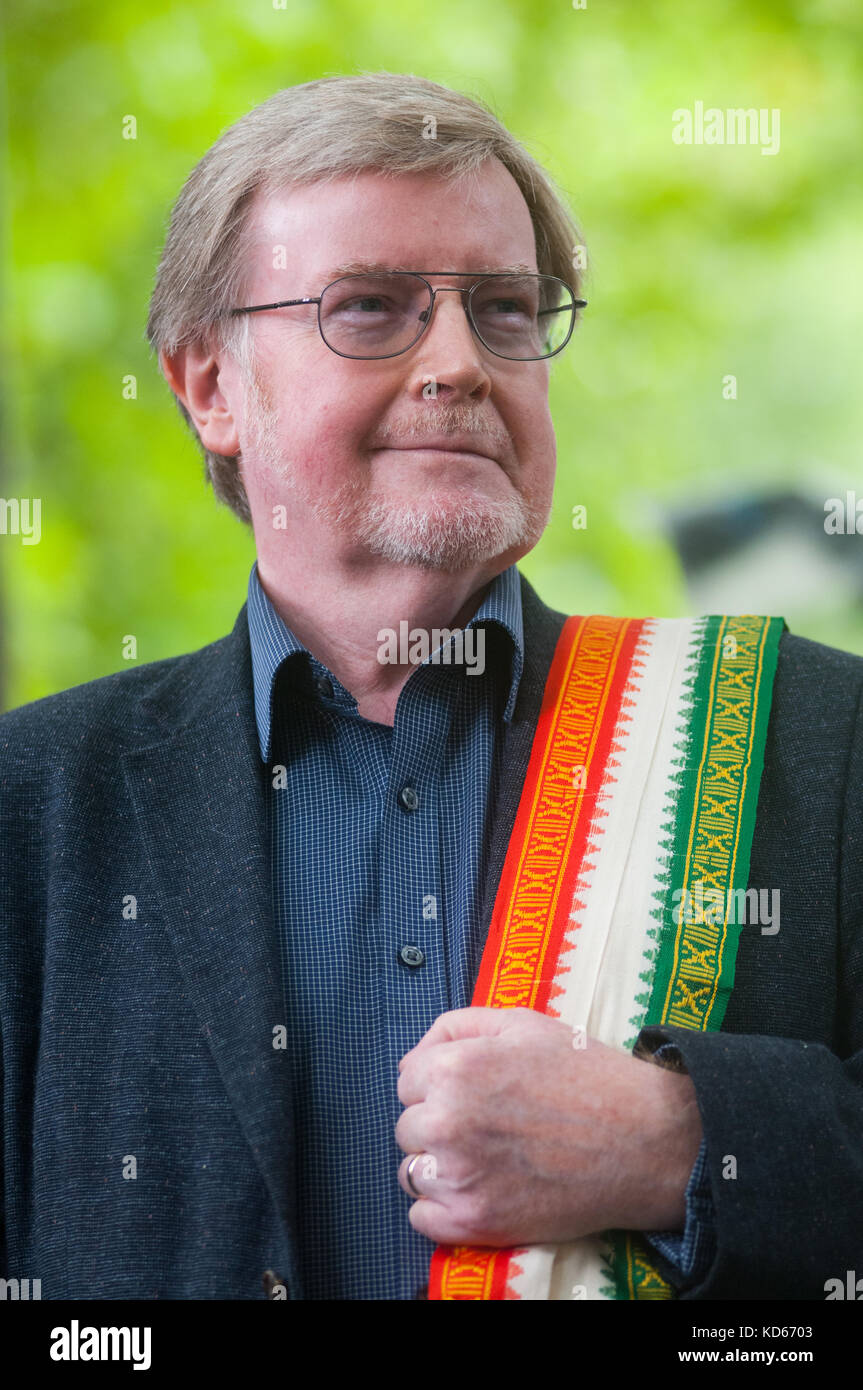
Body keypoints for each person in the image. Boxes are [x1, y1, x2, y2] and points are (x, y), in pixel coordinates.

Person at [1, 72, 861, 1302]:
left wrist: (679, 1142)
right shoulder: (31, 809)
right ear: (206, 386)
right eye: (370, 308)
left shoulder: (815, 744)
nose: (458, 361)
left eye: (505, 310)